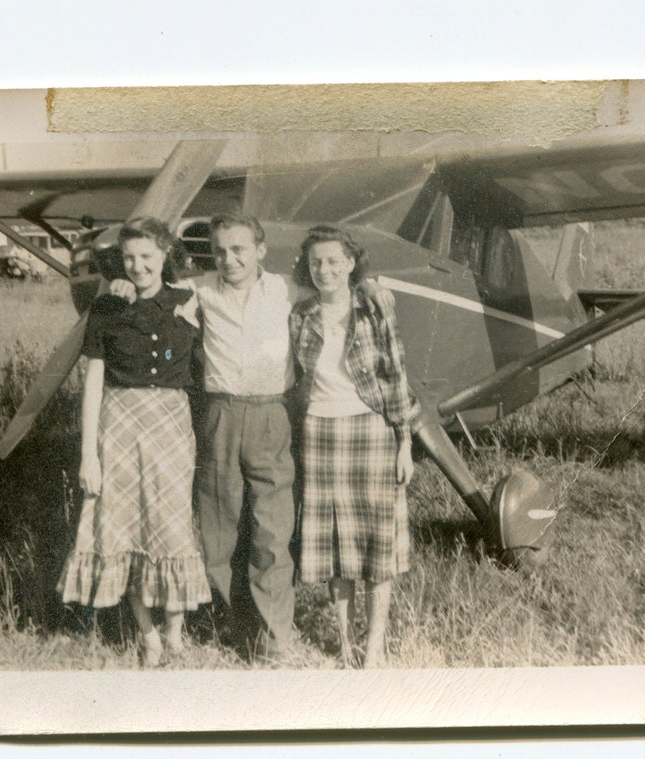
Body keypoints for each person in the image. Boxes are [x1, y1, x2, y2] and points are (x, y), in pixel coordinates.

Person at [109, 213, 393, 663]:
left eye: (240, 249)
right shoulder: (197, 290)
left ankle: (275, 639)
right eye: (220, 251)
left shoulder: (286, 290)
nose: (229, 259)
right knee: (219, 533)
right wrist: (119, 285)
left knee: (272, 532)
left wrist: (370, 283)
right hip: (220, 414)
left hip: (272, 415)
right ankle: (241, 628)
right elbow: (152, 290)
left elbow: (337, 285)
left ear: (260, 250)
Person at [57, 217, 210, 667]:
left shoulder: (189, 302)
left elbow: (178, 354)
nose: (139, 266)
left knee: (171, 522)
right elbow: (94, 381)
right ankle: (149, 636)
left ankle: (176, 634)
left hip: (170, 424)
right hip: (119, 424)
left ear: (165, 255)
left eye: (147, 256)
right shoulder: (108, 309)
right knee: (120, 523)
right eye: (129, 258)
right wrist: (89, 453)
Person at [288, 225, 419, 668]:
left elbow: (397, 376)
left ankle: (375, 646)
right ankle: (345, 643)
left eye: (333, 261)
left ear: (350, 263)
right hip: (321, 434)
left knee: (378, 543)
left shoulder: (375, 308)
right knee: (335, 545)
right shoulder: (300, 314)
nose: (324, 270)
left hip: (372, 430)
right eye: (315, 263)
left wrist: (405, 443)